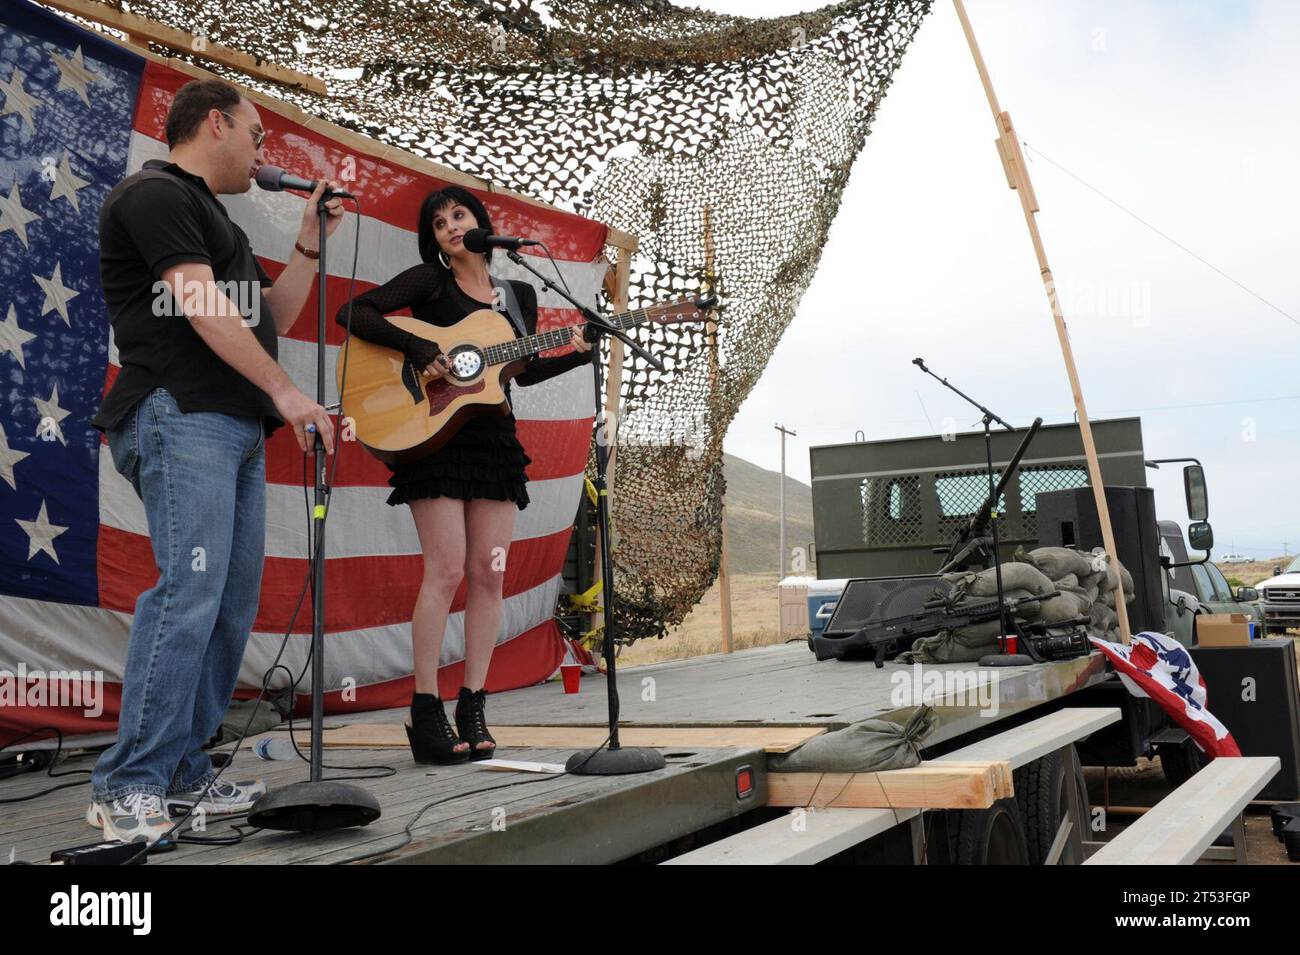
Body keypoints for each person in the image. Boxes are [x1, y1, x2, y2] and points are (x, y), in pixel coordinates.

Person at [88, 78, 344, 844]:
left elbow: (268, 321)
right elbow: (198, 306)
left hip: (231, 423)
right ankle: (128, 782)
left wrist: (307, 240)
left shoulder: (218, 224)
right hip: (179, 411)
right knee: (189, 592)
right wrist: (293, 397)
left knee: (230, 602)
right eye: (257, 134)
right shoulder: (155, 194)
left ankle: (181, 771)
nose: (265, 151)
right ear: (214, 123)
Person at [336, 186, 594, 764]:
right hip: (432, 437)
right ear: (433, 239)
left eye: (459, 215)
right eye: (439, 223)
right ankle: (424, 706)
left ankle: (472, 702)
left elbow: (519, 373)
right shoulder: (429, 283)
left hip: (493, 441)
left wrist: (581, 348)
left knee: (488, 573)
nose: (451, 226)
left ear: (481, 224)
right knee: (446, 569)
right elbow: (353, 312)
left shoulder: (518, 292)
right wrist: (421, 350)